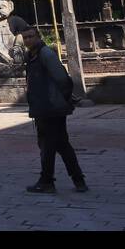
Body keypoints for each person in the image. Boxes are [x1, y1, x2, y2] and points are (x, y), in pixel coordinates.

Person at [22, 27, 86, 193]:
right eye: (25, 38)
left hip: (51, 108)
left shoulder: (46, 54)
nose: (28, 40)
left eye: (30, 36)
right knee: (62, 145)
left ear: (38, 37)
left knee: (47, 146)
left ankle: (47, 180)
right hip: (43, 108)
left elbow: (63, 80)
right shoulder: (32, 57)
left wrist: (62, 99)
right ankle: (78, 180)